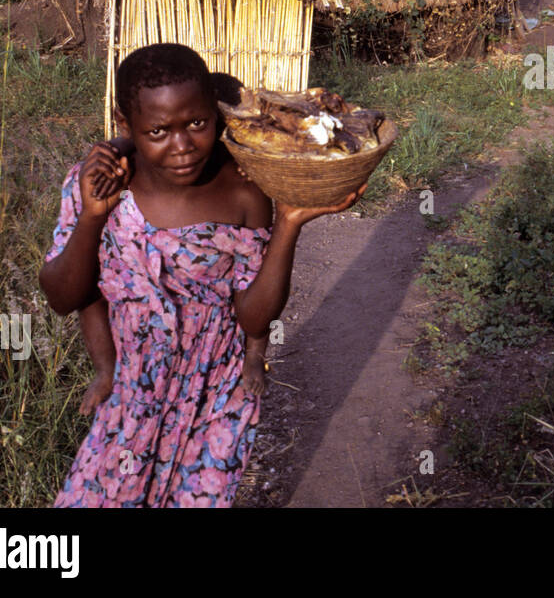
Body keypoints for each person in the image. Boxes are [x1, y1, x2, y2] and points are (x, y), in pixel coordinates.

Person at [38, 43, 363, 507]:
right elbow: (63, 296)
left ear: (215, 112)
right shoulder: (98, 184)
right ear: (126, 125)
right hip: (132, 385)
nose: (183, 145)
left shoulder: (242, 191)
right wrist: (91, 218)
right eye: (157, 131)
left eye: (197, 123)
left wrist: (288, 225)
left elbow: (253, 318)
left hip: (214, 386)